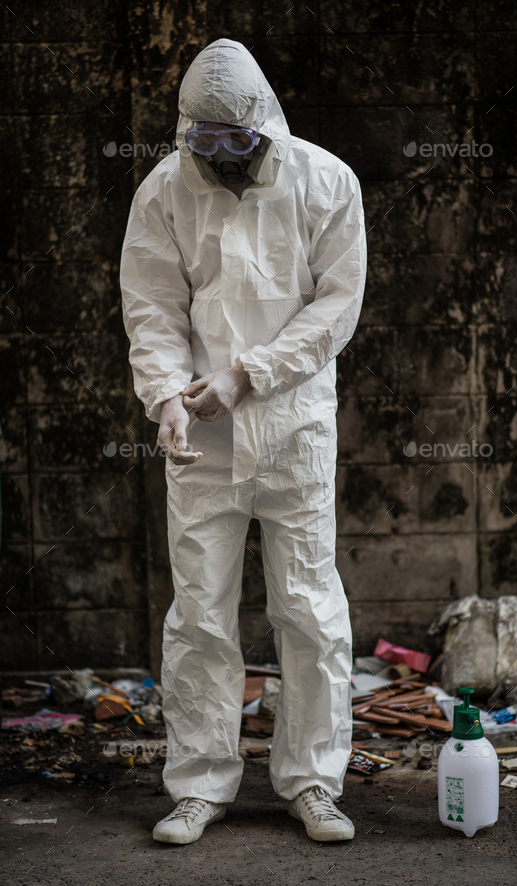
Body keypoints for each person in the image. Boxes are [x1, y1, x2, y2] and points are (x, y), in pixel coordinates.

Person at [120, 38, 367, 845]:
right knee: (199, 614)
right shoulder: (164, 188)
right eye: (204, 139)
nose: (220, 156)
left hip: (294, 429)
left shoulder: (325, 181)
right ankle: (199, 786)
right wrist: (165, 398)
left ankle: (313, 784)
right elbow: (152, 306)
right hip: (202, 438)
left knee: (307, 607)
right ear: (185, 132)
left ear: (262, 125)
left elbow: (336, 308)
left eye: (236, 139)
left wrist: (248, 375)